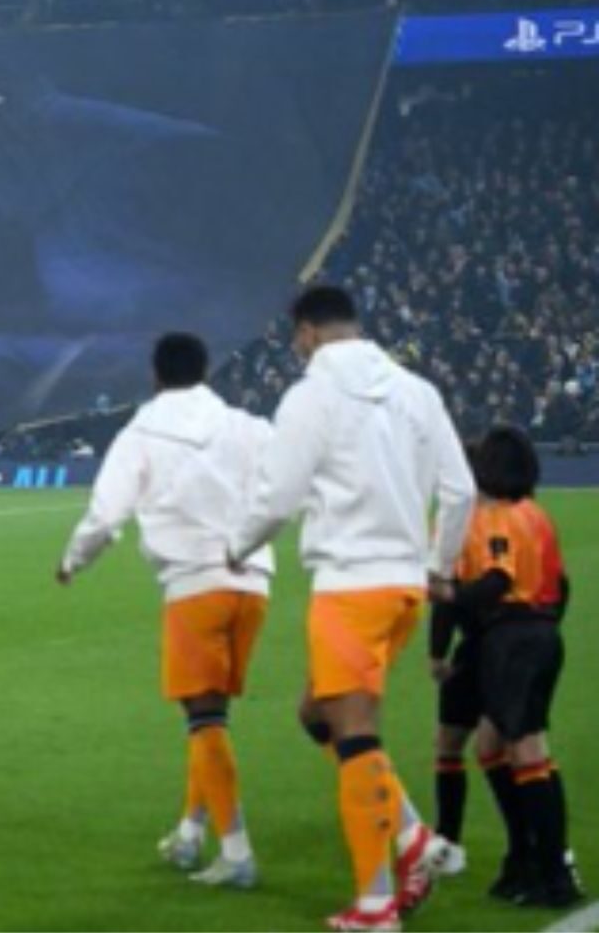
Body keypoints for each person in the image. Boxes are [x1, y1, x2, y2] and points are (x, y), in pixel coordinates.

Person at [227, 285, 475, 932]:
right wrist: (437, 567)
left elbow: (278, 495)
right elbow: (461, 489)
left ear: (307, 331)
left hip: (346, 585)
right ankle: (414, 833)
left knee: (355, 733)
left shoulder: (311, 396)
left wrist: (237, 547)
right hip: (403, 591)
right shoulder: (416, 391)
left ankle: (375, 904)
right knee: (317, 714)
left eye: (296, 338)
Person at [57, 333, 272, 888]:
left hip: (195, 583)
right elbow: (287, 485)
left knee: (205, 722)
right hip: (253, 584)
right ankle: (189, 835)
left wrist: (72, 561)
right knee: (211, 722)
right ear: (206, 371)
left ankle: (237, 852)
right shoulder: (246, 426)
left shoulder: (142, 432)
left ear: (155, 375)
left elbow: (105, 517)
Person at [433, 426, 581, 908]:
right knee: (493, 745)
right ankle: (526, 856)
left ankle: (552, 870)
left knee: (526, 749)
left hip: (513, 636)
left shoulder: (499, 517)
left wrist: (449, 593)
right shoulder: (534, 514)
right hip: (529, 633)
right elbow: (563, 583)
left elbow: (498, 581)